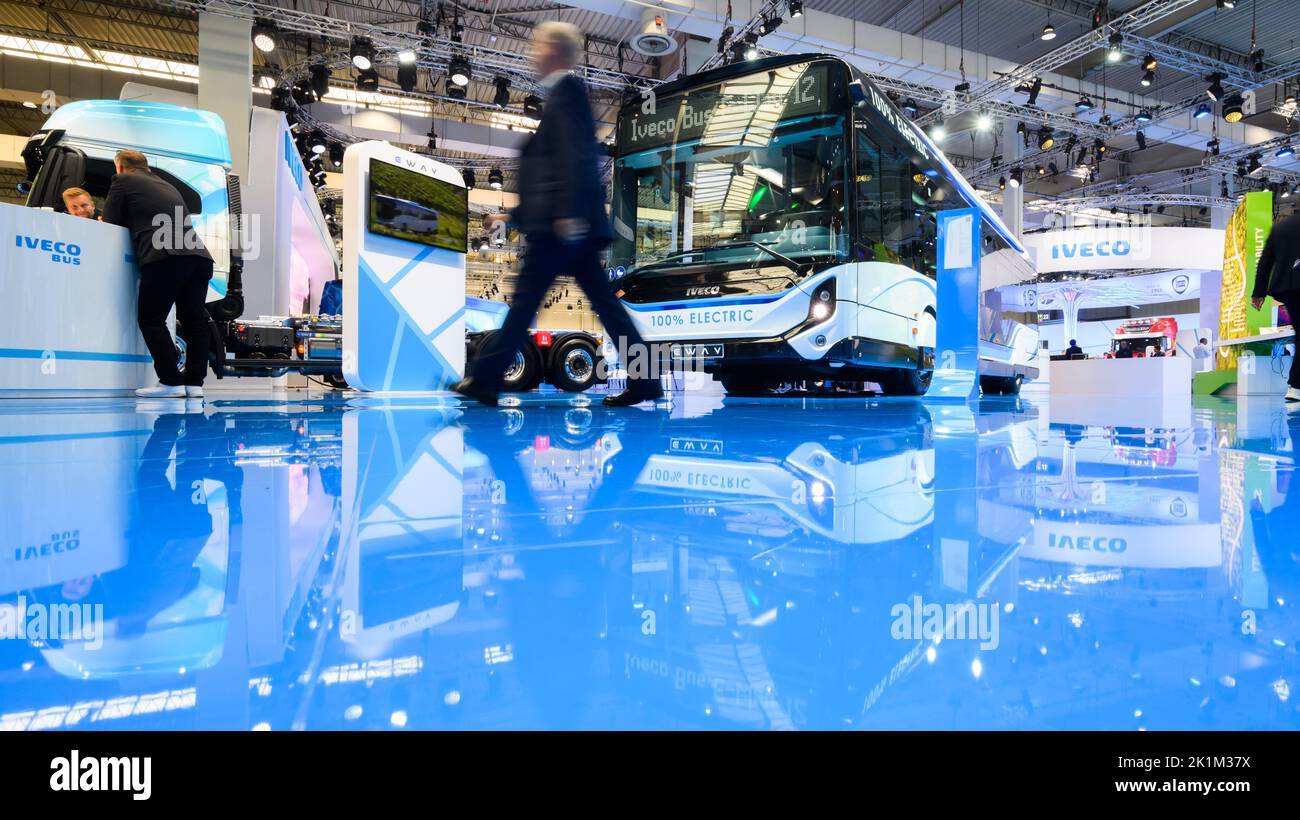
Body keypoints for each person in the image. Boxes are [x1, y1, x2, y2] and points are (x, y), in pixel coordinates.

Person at [452, 21, 662, 409]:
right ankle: (647, 380)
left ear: (556, 51)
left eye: (539, 45)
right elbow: (550, 171)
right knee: (603, 308)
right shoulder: (561, 97)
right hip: (563, 225)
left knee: (528, 305)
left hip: (562, 227)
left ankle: (485, 380)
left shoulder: (569, 93)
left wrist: (567, 214)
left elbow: (576, 155)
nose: (534, 52)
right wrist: (510, 218)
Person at [102, 149, 215, 399]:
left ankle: (171, 381)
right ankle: (194, 384)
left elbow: (110, 222)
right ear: (146, 166)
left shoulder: (122, 180)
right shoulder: (168, 185)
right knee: (194, 321)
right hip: (199, 256)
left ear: (120, 167)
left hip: (165, 256)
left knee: (151, 319)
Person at [1253, 210, 1300, 403]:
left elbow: (1265, 260)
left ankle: (1296, 386)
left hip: (1287, 287)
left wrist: (1258, 292)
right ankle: (1296, 385)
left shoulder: (1281, 227)